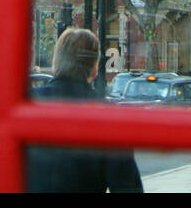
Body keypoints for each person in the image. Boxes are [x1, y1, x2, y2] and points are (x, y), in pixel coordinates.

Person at [25, 29, 143, 193]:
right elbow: (127, 188)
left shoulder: (25, 104)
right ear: (95, 69)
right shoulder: (109, 116)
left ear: (55, 63)